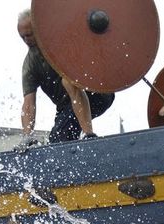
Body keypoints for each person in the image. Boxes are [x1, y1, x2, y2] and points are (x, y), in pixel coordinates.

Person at [17, 9, 115, 144]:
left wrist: (89, 134)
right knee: (57, 140)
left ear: (40, 28)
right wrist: (27, 136)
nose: (26, 40)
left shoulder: (64, 42)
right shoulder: (30, 65)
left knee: (67, 80)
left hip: (96, 93)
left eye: (29, 35)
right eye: (23, 37)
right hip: (67, 106)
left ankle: (89, 135)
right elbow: (28, 103)